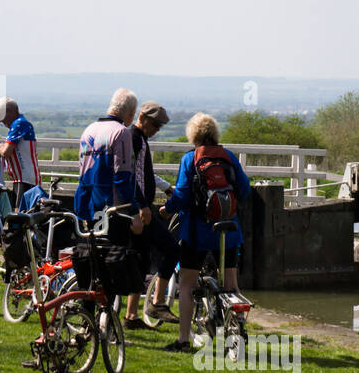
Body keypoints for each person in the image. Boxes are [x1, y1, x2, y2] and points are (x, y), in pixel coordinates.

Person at [152, 112, 251, 353]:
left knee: (186, 285)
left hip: (197, 232)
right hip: (229, 229)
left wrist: (167, 209)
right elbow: (245, 189)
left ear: (193, 135)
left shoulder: (190, 159)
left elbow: (183, 195)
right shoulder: (228, 157)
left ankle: (183, 340)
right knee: (231, 285)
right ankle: (235, 331)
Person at [124, 102, 178, 329]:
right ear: (142, 117)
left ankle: (131, 317)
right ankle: (156, 302)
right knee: (172, 248)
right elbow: (130, 174)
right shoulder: (134, 138)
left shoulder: (140, 139)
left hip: (139, 208)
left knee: (142, 260)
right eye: (154, 124)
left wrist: (166, 188)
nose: (157, 129)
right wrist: (141, 205)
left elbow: (145, 173)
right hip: (140, 210)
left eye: (160, 126)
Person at [74, 88, 139, 224]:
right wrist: (134, 211)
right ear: (132, 113)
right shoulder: (121, 132)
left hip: (86, 205)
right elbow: (121, 177)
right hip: (112, 209)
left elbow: (82, 171)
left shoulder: (89, 129)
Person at [0, 97, 40, 207]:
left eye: (0, 115)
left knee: (19, 215)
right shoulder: (20, 123)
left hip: (24, 178)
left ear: (10, 112)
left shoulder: (19, 124)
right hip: (22, 177)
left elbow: (5, 152)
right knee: (20, 213)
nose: (0, 120)